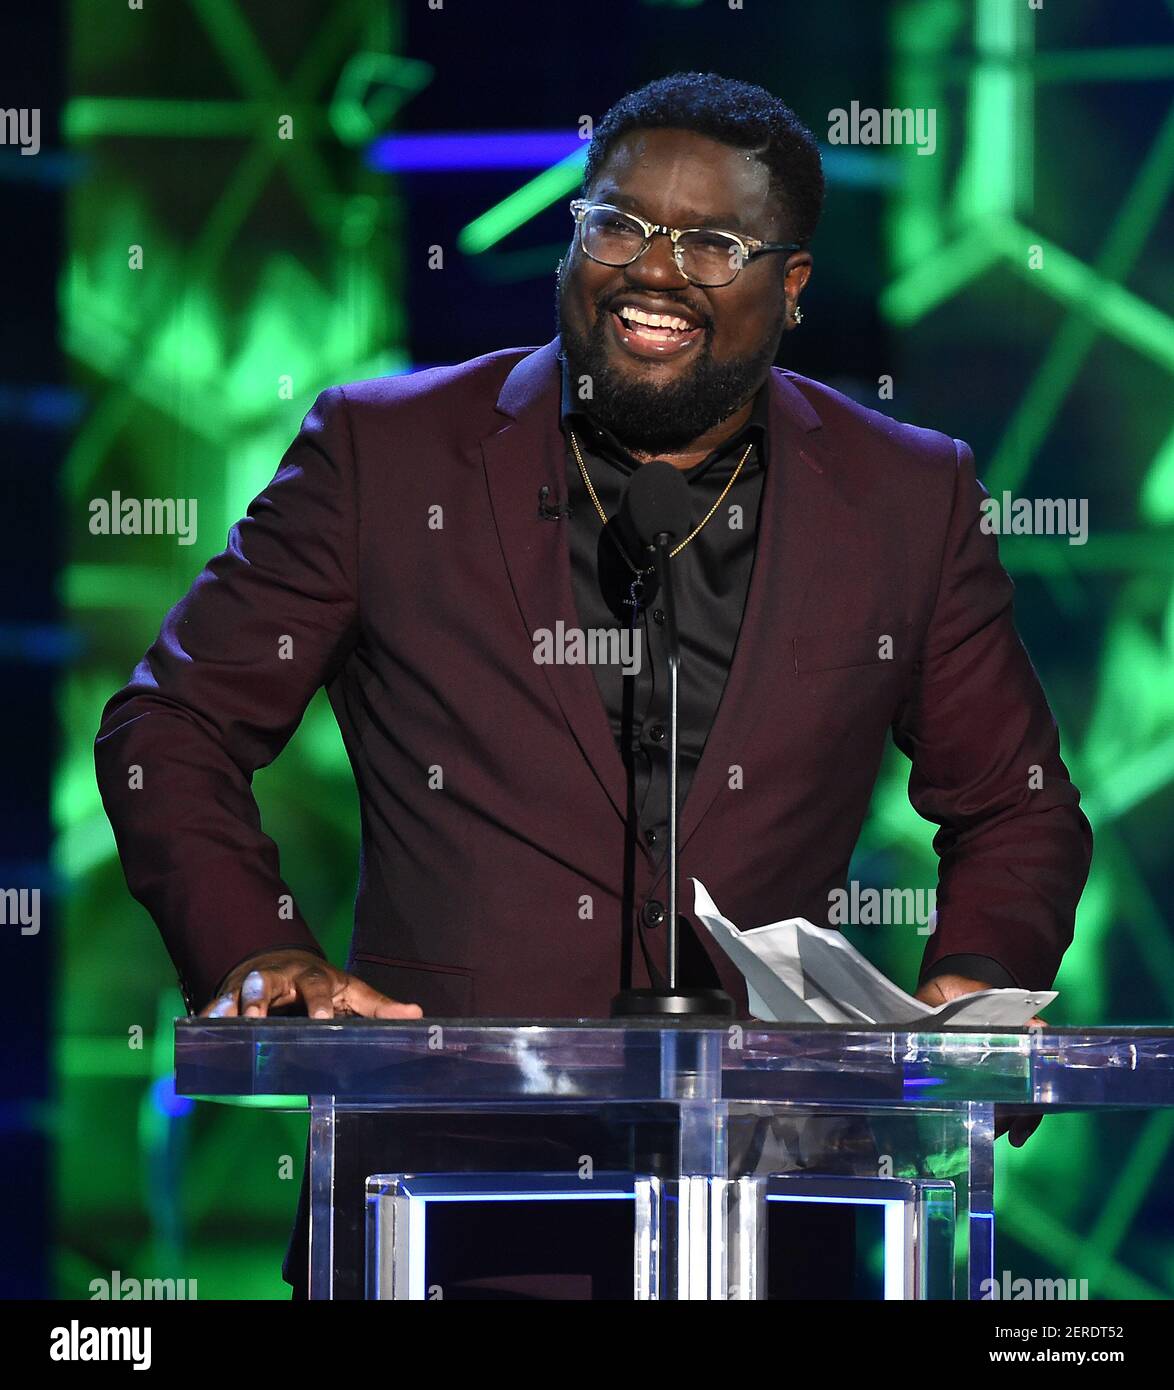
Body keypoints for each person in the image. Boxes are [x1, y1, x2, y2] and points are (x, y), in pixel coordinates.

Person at [96, 73, 1091, 1173]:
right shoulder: (388, 454)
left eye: (713, 243)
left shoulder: (903, 495)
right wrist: (262, 946)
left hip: (768, 1203)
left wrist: (972, 983)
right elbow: (169, 727)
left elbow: (1016, 803)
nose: (653, 270)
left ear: (792, 283)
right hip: (443, 1189)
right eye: (617, 226)